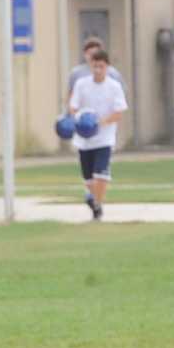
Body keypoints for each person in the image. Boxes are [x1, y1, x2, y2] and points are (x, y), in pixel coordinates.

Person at [67, 46, 127, 221]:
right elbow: (73, 106)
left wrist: (101, 122)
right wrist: (78, 118)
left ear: (107, 67)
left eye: (101, 66)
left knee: (101, 174)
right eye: (95, 66)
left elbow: (119, 111)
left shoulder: (114, 86)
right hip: (84, 139)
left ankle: (97, 205)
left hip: (104, 138)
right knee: (88, 179)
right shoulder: (81, 84)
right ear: (90, 66)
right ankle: (92, 197)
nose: (98, 70)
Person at [61, 37, 125, 113]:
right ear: (84, 54)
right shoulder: (77, 73)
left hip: (105, 116)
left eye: (95, 53)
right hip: (83, 117)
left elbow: (120, 96)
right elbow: (71, 95)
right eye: (89, 53)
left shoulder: (112, 73)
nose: (92, 56)